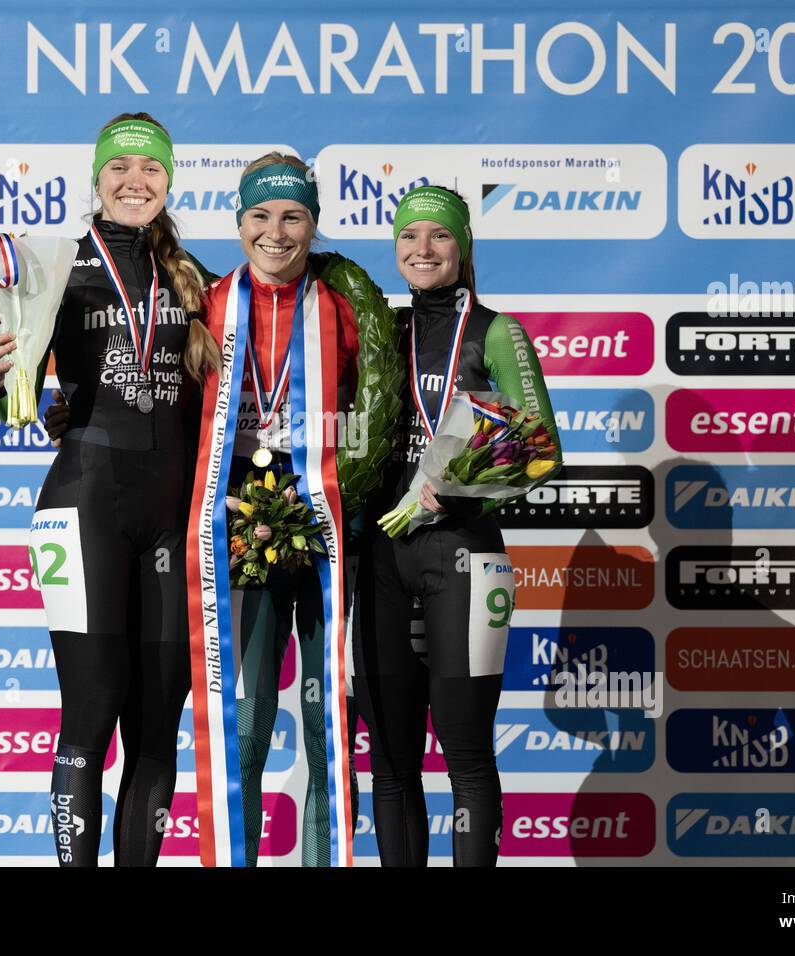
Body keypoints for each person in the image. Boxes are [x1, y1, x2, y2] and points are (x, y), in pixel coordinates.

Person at [0, 112, 219, 867]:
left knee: (157, 717)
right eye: (120, 168)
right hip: (82, 506)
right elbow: (12, 389)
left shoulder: (199, 280)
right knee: (92, 704)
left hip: (173, 520)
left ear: (168, 180)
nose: (134, 181)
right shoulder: (52, 266)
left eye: (150, 169)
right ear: (98, 177)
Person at [352, 185, 563, 866]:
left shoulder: (496, 331)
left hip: (465, 555)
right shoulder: (385, 331)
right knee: (390, 758)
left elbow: (541, 451)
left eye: (438, 236)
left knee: (466, 752)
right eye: (409, 236)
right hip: (382, 560)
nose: (422, 249)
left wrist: (454, 498)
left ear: (463, 246)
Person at [186, 153, 360, 867]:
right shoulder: (208, 305)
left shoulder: (344, 310)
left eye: (292, 217)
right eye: (261, 215)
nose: (276, 232)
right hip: (236, 531)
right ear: (239, 221)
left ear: (312, 225)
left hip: (320, 528)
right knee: (246, 728)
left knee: (326, 727)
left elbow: (370, 421)